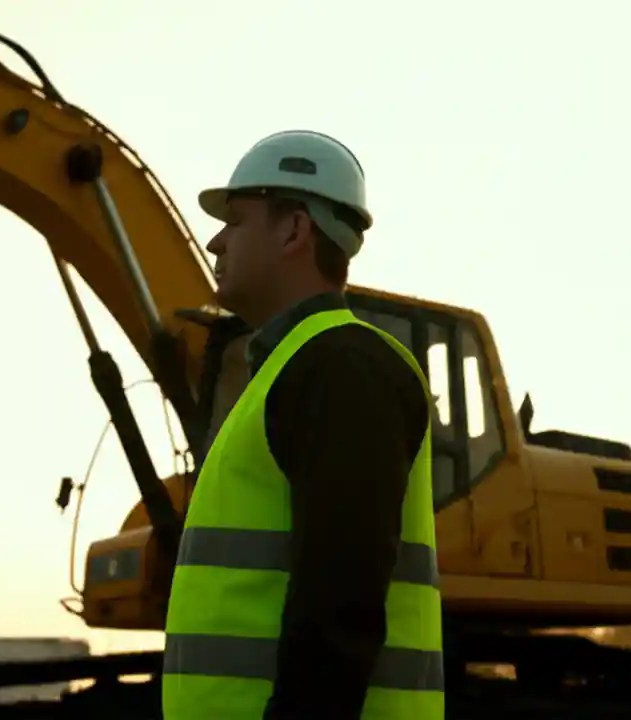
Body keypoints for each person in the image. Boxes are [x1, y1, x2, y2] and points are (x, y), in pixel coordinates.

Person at [160, 130, 445, 719]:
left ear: (294, 230)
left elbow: (341, 595)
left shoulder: (342, 366)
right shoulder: (290, 370)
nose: (215, 241)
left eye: (236, 221)